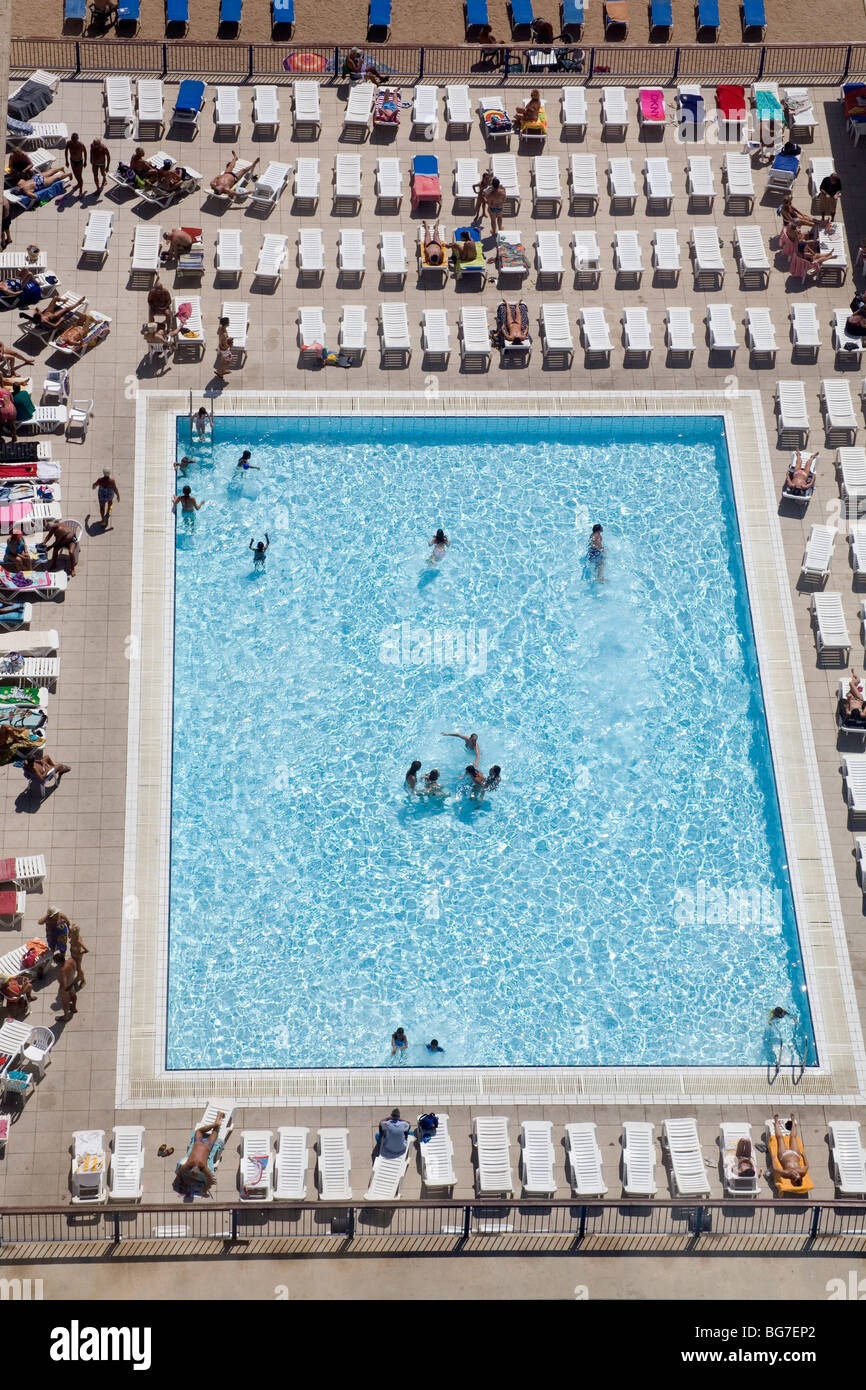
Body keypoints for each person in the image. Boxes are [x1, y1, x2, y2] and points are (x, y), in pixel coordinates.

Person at [176, 1112, 225, 1193]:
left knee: (215, 1132)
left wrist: (205, 1190)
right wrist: (205, 1190)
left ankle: (217, 1122)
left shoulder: (201, 1165)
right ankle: (217, 1121)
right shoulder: (190, 1164)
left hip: (206, 1145)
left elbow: (210, 1179)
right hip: (199, 1143)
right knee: (199, 1131)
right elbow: (210, 1180)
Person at [771, 1114, 809, 1189]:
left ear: (792, 1179)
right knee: (793, 1138)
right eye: (797, 1175)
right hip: (796, 1154)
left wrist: (773, 1159)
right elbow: (807, 1165)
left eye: (794, 1177)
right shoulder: (802, 1172)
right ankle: (793, 1121)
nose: (795, 1174)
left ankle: (776, 1122)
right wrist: (804, 1156)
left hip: (783, 1155)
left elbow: (775, 1169)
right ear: (800, 1177)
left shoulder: (786, 1174)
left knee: (780, 1138)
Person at [69, 924, 89, 990]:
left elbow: (86, 950)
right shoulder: (72, 937)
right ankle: (78, 976)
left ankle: (83, 980)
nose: (70, 933)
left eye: (71, 932)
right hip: (73, 954)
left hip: (77, 957)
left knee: (79, 969)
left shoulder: (78, 941)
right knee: (76, 968)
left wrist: (80, 953)